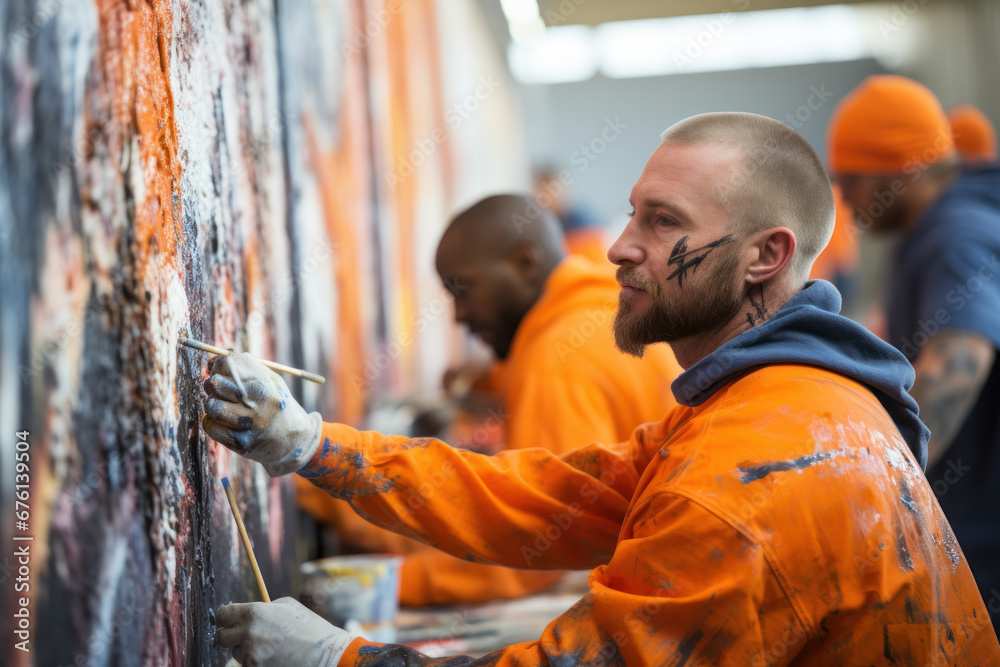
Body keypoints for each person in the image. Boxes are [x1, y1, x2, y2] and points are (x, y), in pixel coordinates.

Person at [207, 112, 999, 665]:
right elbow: (549, 498)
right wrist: (313, 445)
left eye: (662, 222)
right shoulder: (777, 399)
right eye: (631, 215)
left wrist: (339, 657)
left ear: (766, 255)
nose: (619, 246)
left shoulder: (752, 478)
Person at [295, 194, 683, 605]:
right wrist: (492, 380)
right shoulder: (594, 309)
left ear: (524, 264)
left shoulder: (555, 363)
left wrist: (392, 586)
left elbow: (536, 540)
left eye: (464, 290)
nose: (459, 316)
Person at [828, 75, 1000, 634]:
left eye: (850, 178)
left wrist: (871, 495)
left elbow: (958, 360)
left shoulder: (955, 234)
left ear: (901, 170)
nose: (845, 196)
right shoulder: (934, 229)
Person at [534, 168, 609, 264]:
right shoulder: (547, 222)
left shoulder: (583, 219)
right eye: (541, 193)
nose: (546, 199)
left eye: (551, 191)